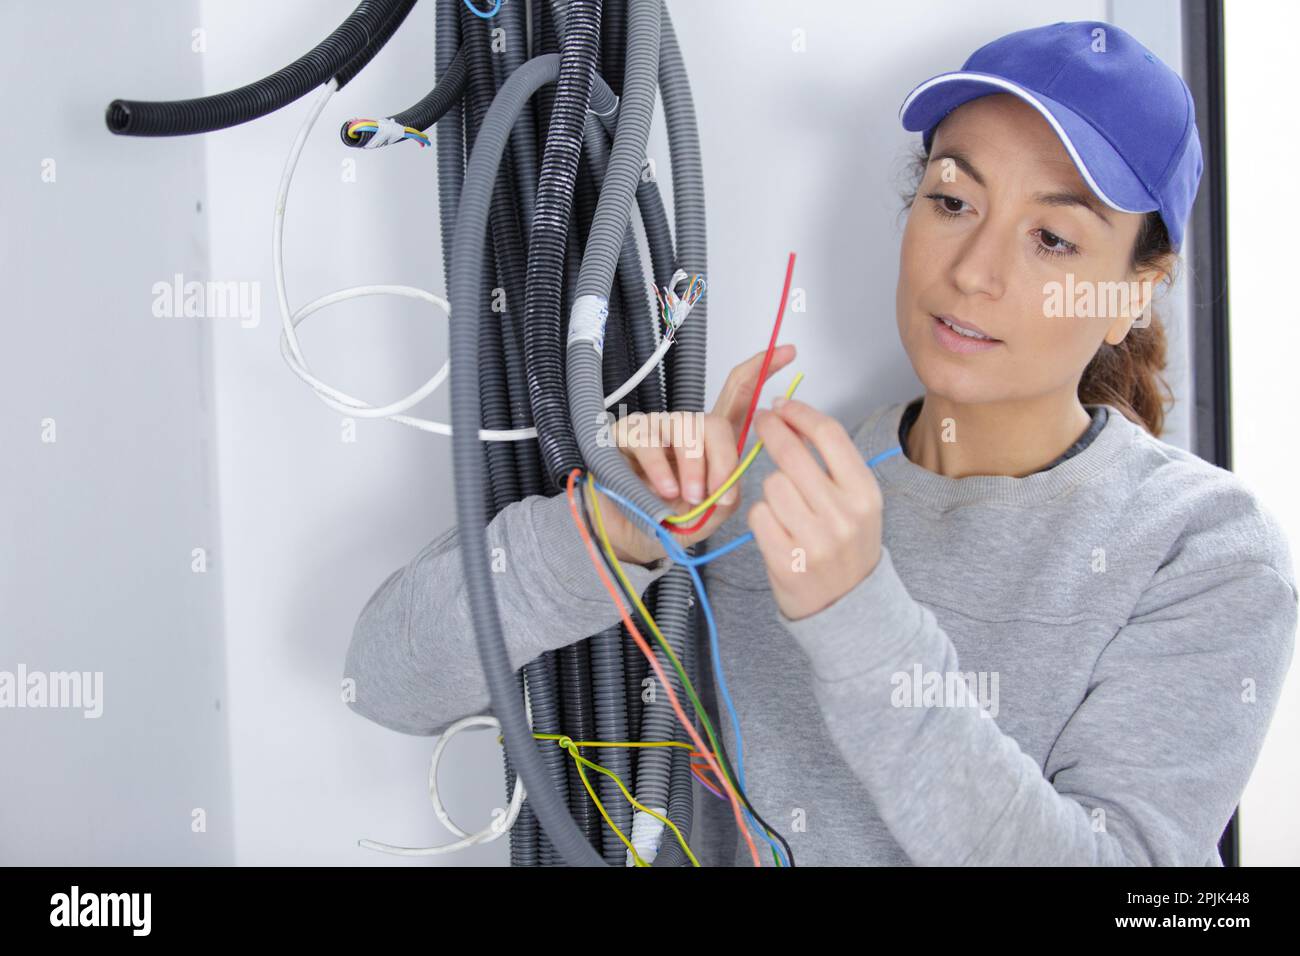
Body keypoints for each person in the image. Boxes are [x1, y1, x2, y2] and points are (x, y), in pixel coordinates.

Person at [343, 20, 1297, 865]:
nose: (971, 271)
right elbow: (381, 680)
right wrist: (606, 530)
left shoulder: (1202, 551)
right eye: (953, 200)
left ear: (1133, 291)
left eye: (1052, 239)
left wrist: (855, 612)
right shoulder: (761, 485)